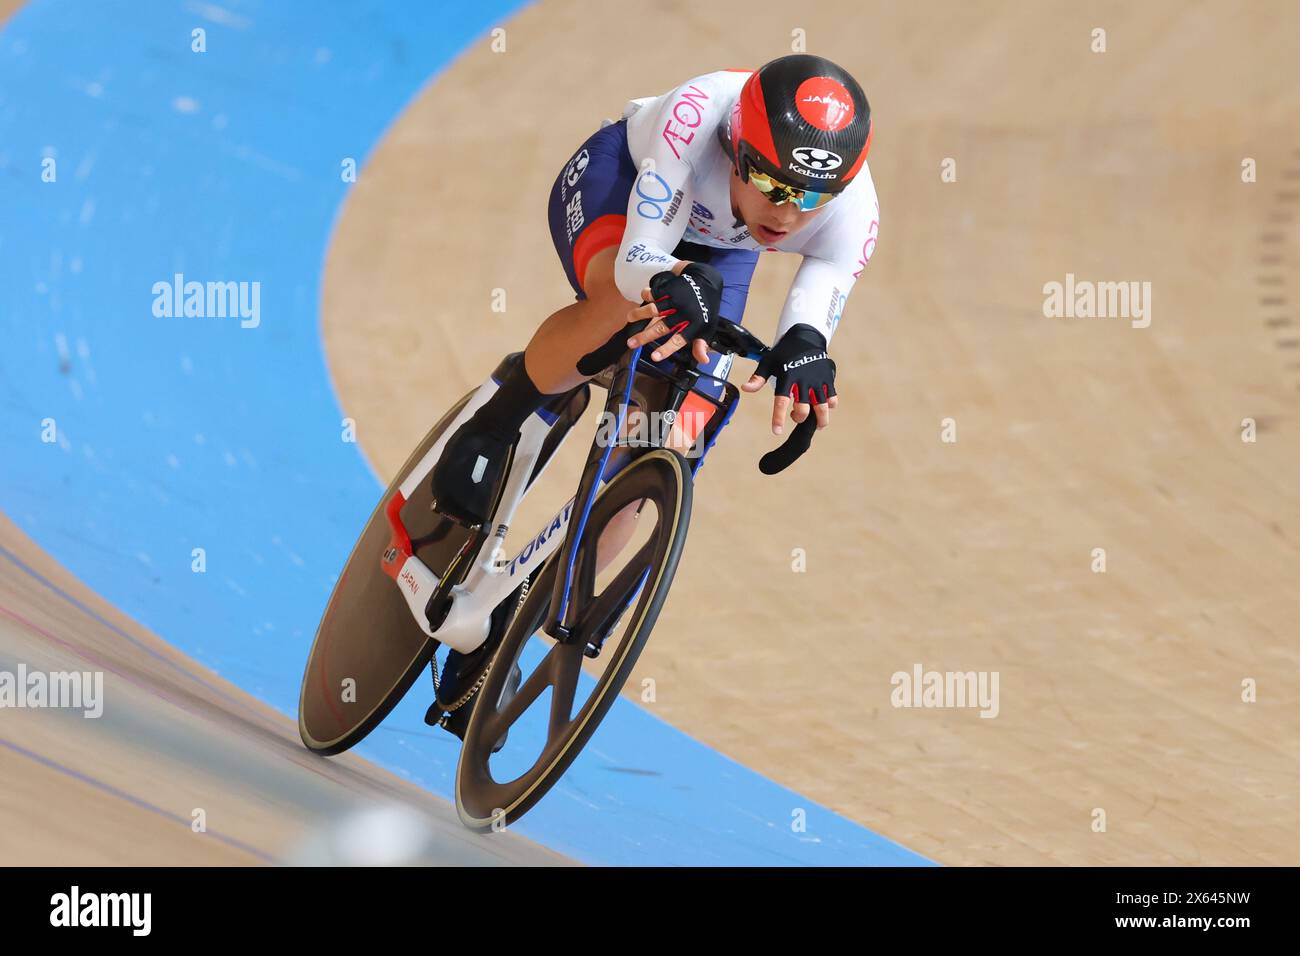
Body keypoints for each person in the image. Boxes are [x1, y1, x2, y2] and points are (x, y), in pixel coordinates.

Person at [432, 51, 879, 531]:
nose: (787, 216)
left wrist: (806, 345)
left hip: (719, 243)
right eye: (772, 184)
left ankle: (560, 592)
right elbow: (635, 262)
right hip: (625, 186)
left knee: (676, 435)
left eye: (813, 197)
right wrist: (676, 279)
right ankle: (495, 425)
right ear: (739, 148)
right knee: (623, 305)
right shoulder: (695, 118)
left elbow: (829, 275)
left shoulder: (855, 205)